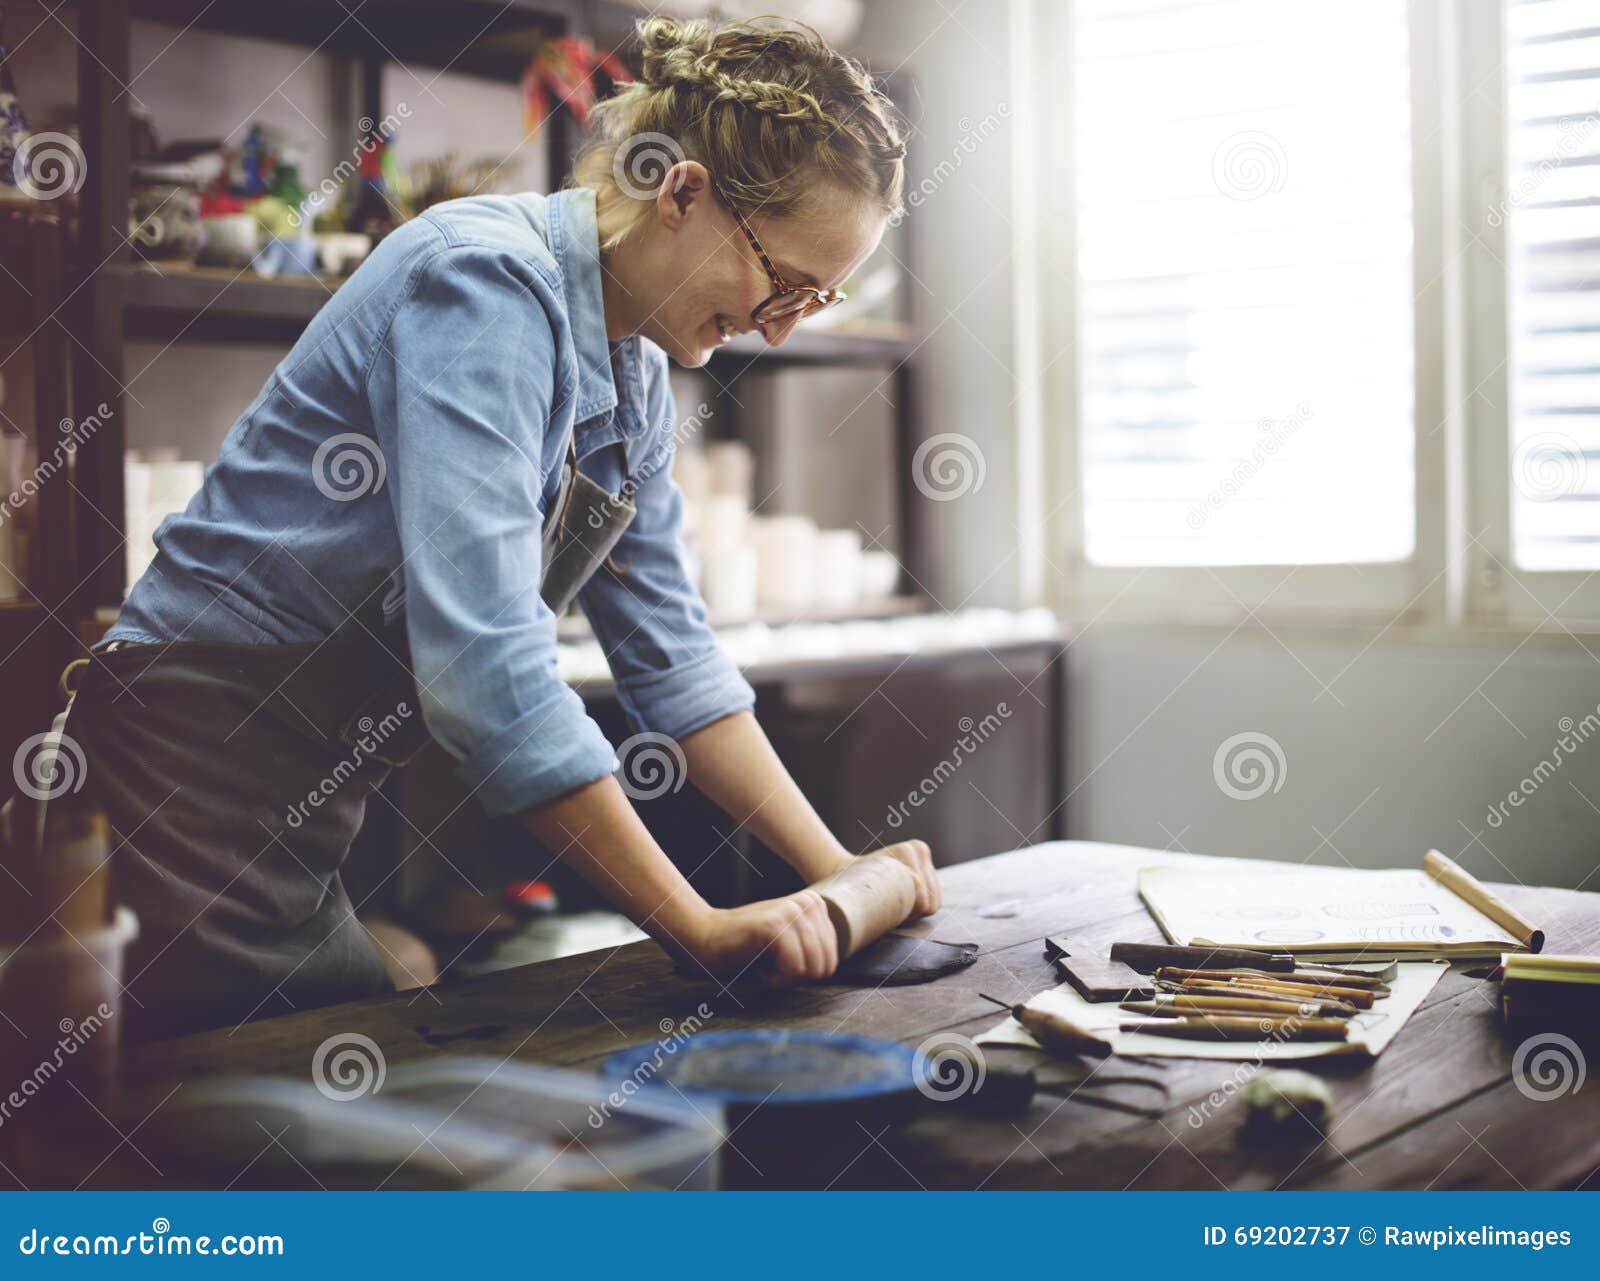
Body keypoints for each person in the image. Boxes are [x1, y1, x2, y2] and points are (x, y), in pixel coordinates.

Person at [64, 16, 940, 1041]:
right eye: (782, 281)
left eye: (818, 298)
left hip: (304, 808)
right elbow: (485, 669)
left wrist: (837, 867)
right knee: (277, 1109)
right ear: (684, 192)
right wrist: (695, 927)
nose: (785, 325)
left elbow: (675, 662)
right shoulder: (480, 282)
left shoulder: (635, 376)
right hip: (186, 781)